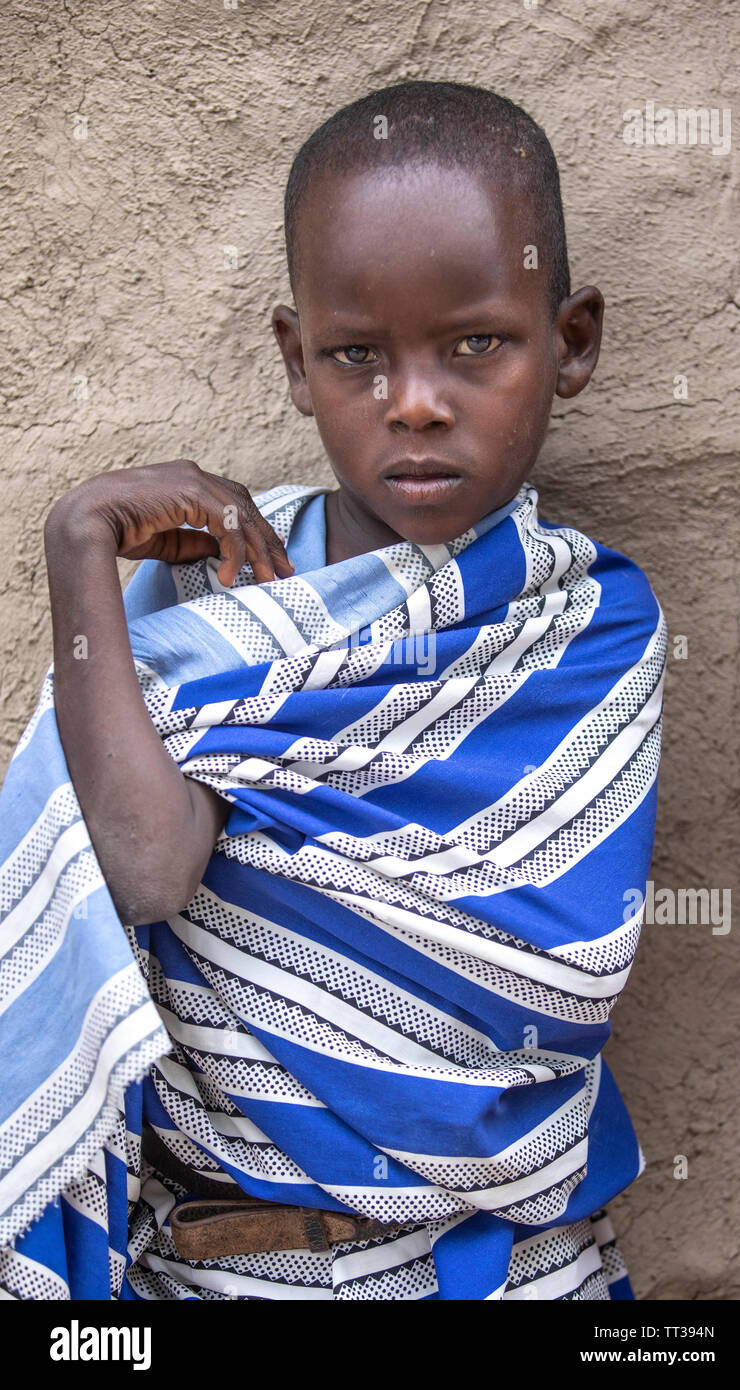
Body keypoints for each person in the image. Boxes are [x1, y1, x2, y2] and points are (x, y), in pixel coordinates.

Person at [0, 80, 667, 1300]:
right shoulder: (201, 610)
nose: (414, 401)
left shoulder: (587, 628)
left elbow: (551, 973)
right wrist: (78, 544)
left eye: (477, 342)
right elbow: (142, 870)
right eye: (358, 354)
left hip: (505, 1273)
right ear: (295, 363)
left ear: (570, 342)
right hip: (224, 1270)